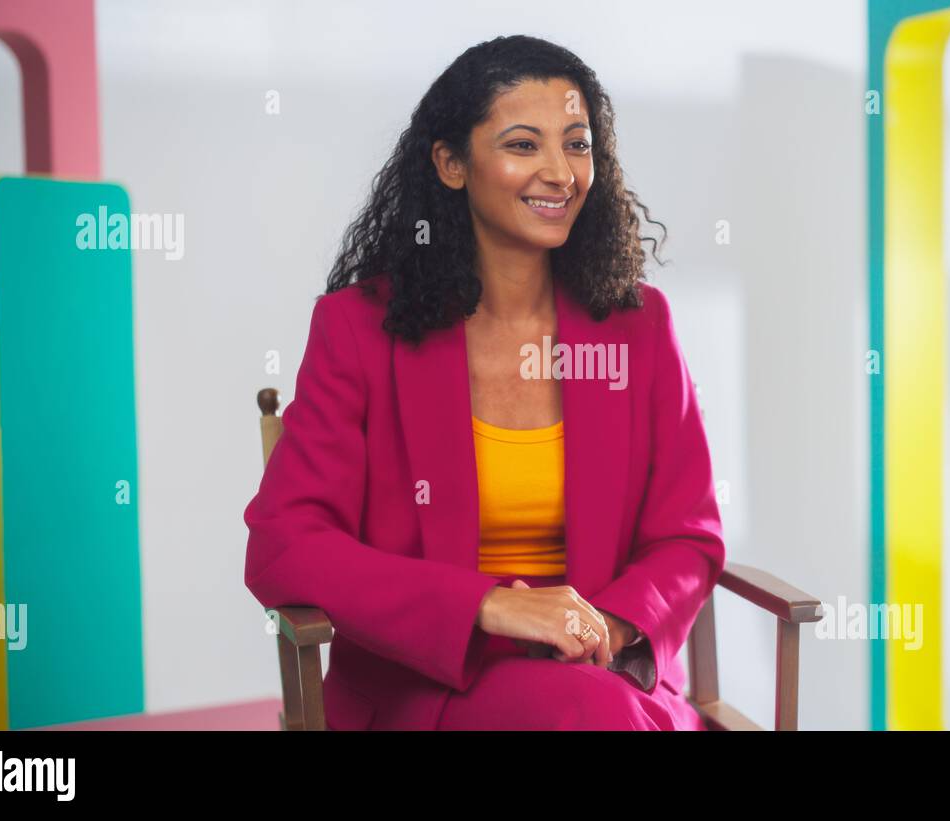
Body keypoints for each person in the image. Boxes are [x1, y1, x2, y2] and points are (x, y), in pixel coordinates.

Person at [244, 34, 724, 730]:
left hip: (606, 679)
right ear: (451, 163)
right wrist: (488, 603)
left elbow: (689, 535)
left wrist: (612, 628)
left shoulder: (638, 327)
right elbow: (285, 543)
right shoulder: (358, 330)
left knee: (600, 711)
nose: (561, 172)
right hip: (429, 690)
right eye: (524, 145)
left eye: (578, 143)